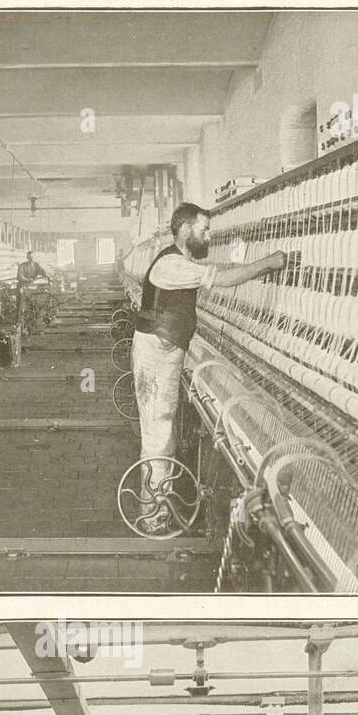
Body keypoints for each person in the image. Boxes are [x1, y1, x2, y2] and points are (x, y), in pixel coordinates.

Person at [132, 203, 287, 531]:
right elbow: (225, 278)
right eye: (204, 230)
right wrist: (271, 263)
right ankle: (153, 515)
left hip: (162, 351)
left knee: (161, 430)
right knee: (158, 433)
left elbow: (217, 270)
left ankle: (157, 503)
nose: (209, 236)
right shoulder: (173, 265)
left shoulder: (177, 261)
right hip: (157, 355)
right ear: (186, 230)